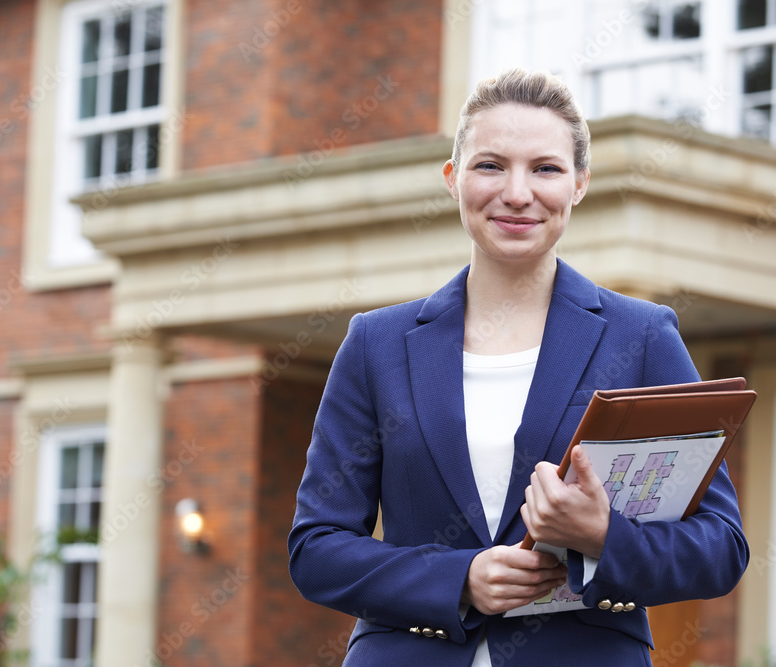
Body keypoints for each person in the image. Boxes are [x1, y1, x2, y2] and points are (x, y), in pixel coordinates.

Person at [288, 68, 749, 665]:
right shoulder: (375, 343)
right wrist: (457, 578)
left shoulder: (642, 337)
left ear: (579, 184)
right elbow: (317, 549)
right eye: (490, 165)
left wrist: (602, 538)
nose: (516, 192)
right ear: (453, 179)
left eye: (546, 169)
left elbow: (720, 547)